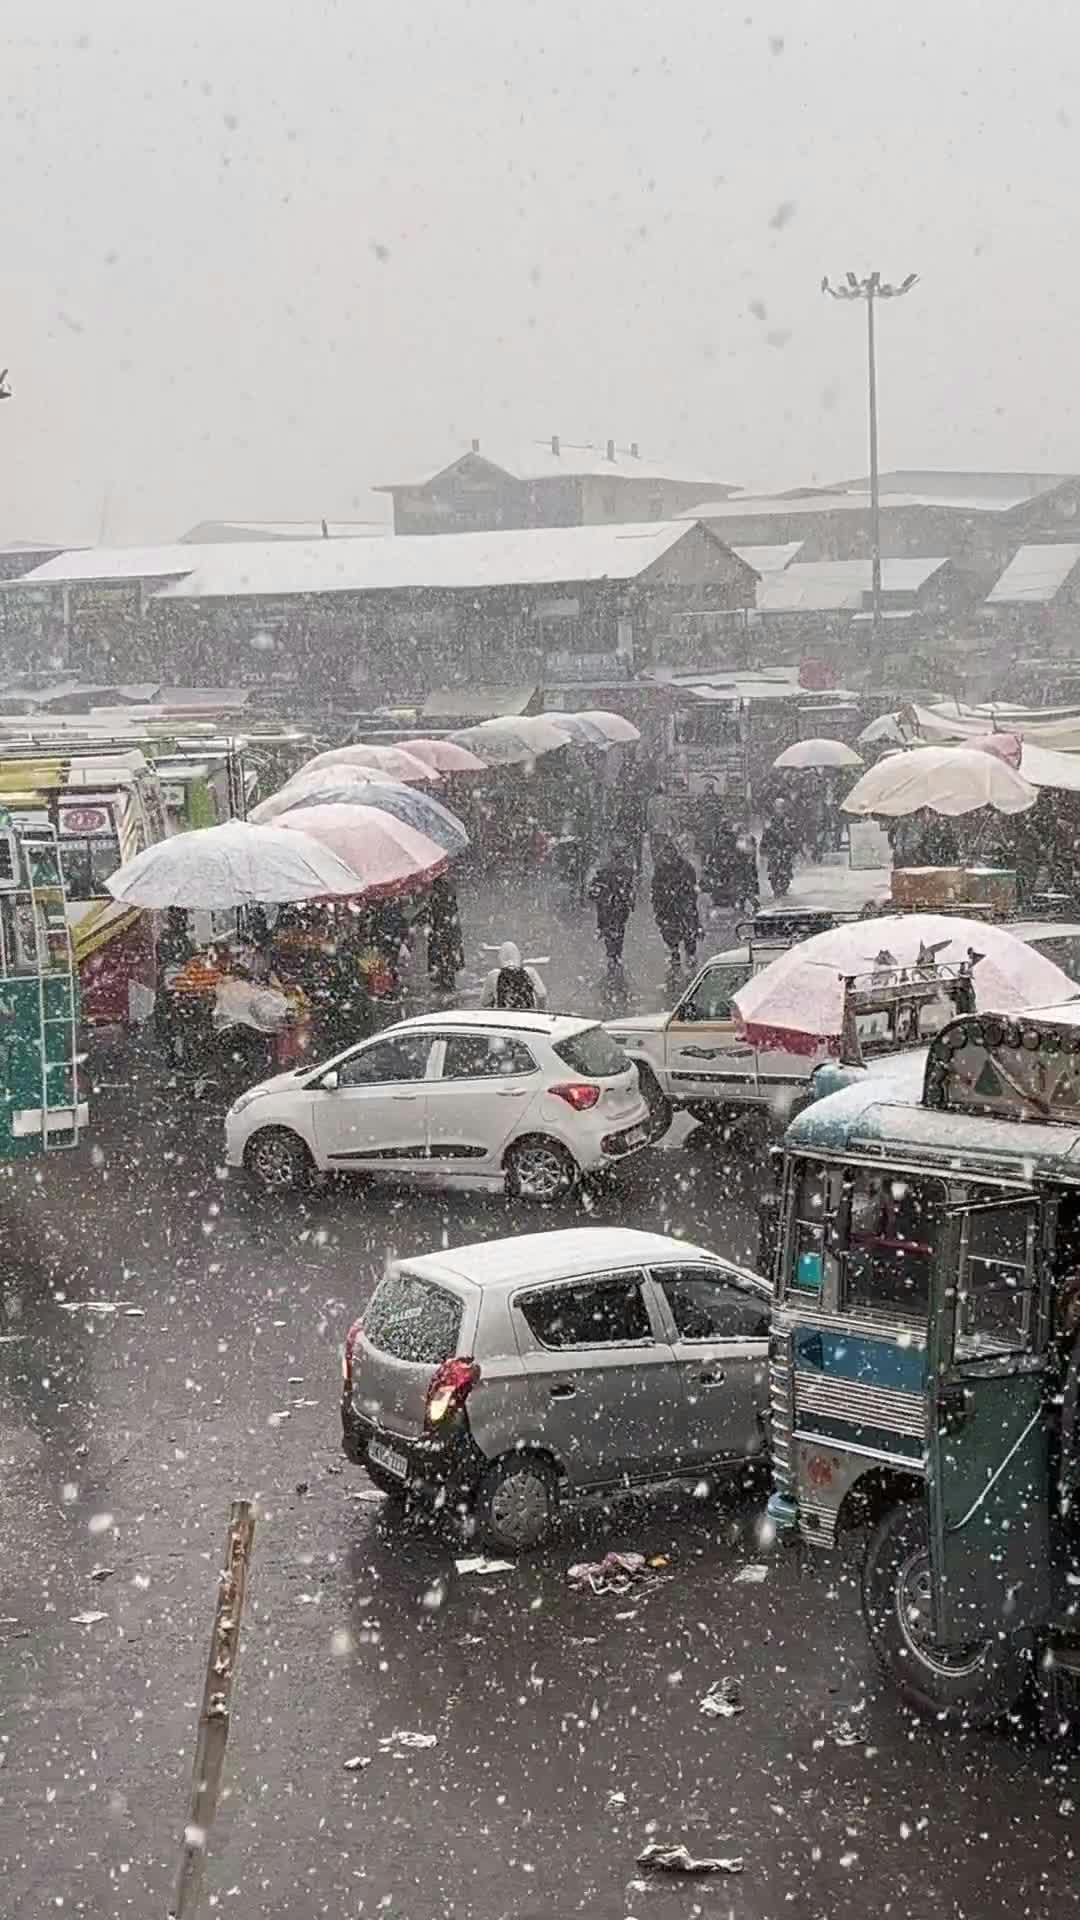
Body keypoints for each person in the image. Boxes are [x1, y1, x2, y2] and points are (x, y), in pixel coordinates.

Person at [650, 841, 700, 971]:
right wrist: (660, 906)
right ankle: (675, 958)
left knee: (688, 933)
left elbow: (692, 887)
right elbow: (656, 890)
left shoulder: (685, 867)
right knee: (671, 936)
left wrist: (687, 898)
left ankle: (689, 957)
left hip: (683, 907)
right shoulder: (661, 869)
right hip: (668, 909)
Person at [588, 845, 637, 971]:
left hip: (618, 905)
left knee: (617, 929)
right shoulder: (610, 871)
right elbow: (597, 886)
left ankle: (615, 953)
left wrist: (629, 900)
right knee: (612, 930)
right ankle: (613, 954)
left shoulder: (625, 871)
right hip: (610, 905)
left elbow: (630, 888)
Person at [480, 941, 548, 1011]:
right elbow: (542, 994)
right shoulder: (530, 972)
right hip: (527, 1014)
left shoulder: (493, 975)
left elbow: (485, 1002)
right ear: (519, 956)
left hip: (503, 1014)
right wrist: (539, 1010)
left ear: (500, 958)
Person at [425, 875, 465, 991]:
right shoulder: (444, 896)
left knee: (444, 957)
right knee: (445, 958)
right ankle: (446, 981)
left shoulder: (442, 898)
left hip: (444, 934)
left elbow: (435, 913)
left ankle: (446, 982)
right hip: (446, 934)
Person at [760, 797, 799, 897]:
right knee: (773, 871)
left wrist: (793, 847)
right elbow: (765, 836)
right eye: (777, 808)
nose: (779, 810)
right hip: (774, 850)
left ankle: (784, 886)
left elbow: (793, 837)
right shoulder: (770, 823)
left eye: (781, 808)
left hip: (785, 849)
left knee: (786, 868)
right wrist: (764, 848)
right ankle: (776, 888)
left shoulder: (788, 822)